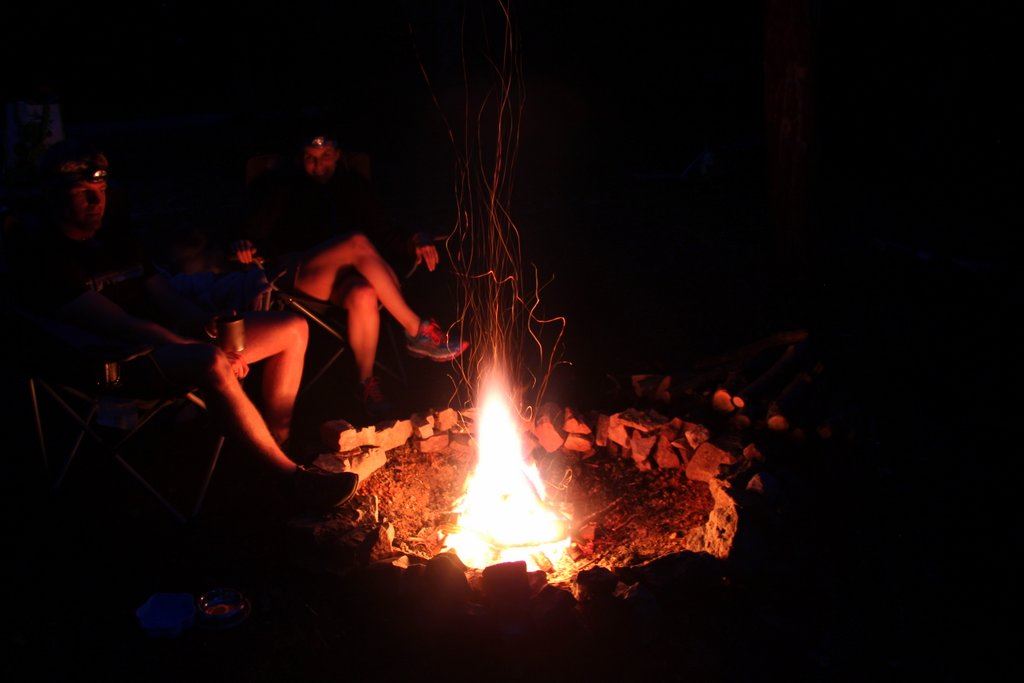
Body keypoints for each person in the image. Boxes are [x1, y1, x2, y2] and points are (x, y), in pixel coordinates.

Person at [7, 142, 357, 511]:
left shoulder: (116, 240)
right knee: (210, 362)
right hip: (114, 363)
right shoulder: (45, 258)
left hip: (170, 346)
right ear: (54, 197)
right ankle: (289, 481)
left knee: (292, 327)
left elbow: (167, 298)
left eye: (101, 192)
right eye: (83, 194)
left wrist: (205, 326)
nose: (97, 203)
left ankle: (275, 449)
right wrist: (199, 347)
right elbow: (124, 326)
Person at [233, 134, 467, 417]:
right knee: (357, 242)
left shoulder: (353, 186)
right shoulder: (284, 187)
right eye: (310, 158)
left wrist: (415, 238)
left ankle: (365, 384)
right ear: (300, 159)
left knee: (364, 294)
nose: (318, 164)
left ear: (338, 155)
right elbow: (251, 232)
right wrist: (244, 243)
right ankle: (417, 329)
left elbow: (385, 230)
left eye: (325, 156)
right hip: (297, 275)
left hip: (343, 280)